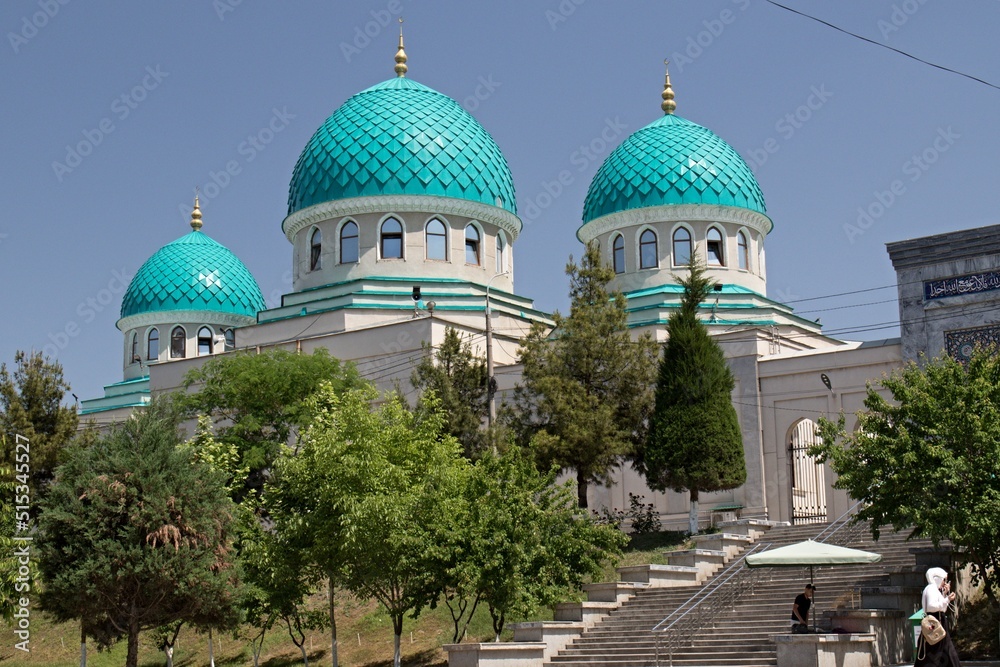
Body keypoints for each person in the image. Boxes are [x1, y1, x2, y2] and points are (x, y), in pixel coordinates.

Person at [915, 567, 961, 666]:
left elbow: (942, 608)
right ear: (938, 578)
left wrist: (945, 594)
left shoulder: (935, 590)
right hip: (934, 623)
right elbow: (932, 607)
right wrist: (947, 599)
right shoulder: (931, 588)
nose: (945, 583)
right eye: (944, 580)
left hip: (939, 622)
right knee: (935, 649)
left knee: (945, 648)